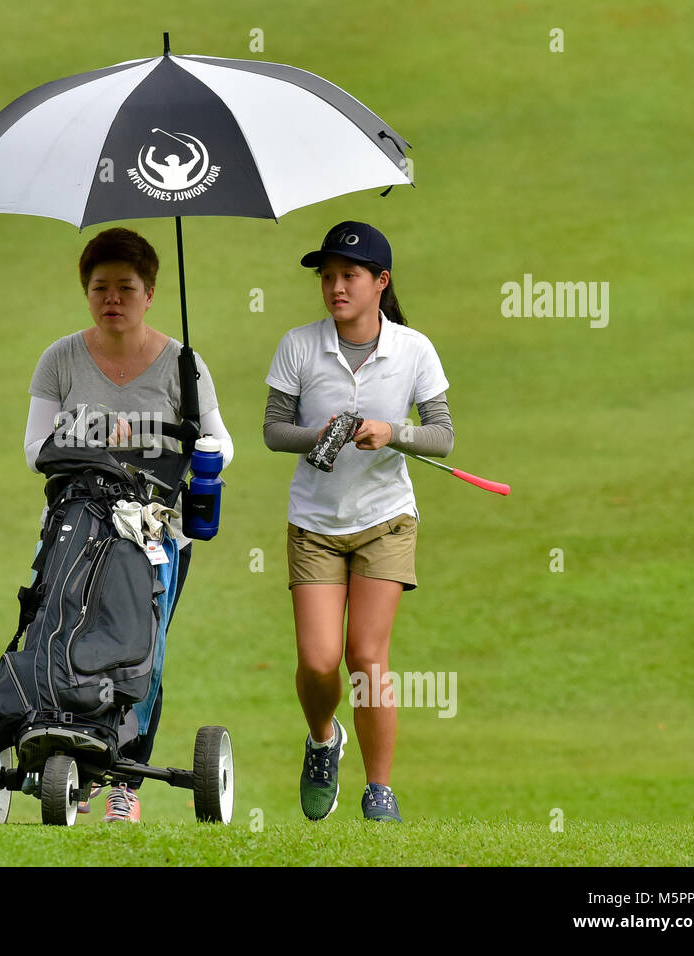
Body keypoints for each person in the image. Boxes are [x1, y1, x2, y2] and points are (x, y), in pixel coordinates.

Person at [24, 227, 234, 822]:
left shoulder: (183, 365)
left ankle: (125, 779)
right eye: (99, 288)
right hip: (75, 522)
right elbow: (34, 446)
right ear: (86, 293)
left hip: (157, 533)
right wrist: (89, 438)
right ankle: (67, 740)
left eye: (125, 287)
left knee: (145, 644)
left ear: (150, 294)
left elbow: (223, 443)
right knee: (61, 623)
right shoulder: (60, 358)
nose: (111, 298)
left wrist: (194, 448)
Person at [263, 221, 453, 823]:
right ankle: (324, 739)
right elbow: (273, 429)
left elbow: (443, 436)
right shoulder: (298, 344)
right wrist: (316, 434)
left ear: (380, 282)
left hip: (385, 520)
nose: (336, 287)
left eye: (349, 276)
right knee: (319, 661)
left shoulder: (414, 349)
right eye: (328, 277)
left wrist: (392, 432)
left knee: (367, 656)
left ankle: (380, 792)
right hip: (315, 522)